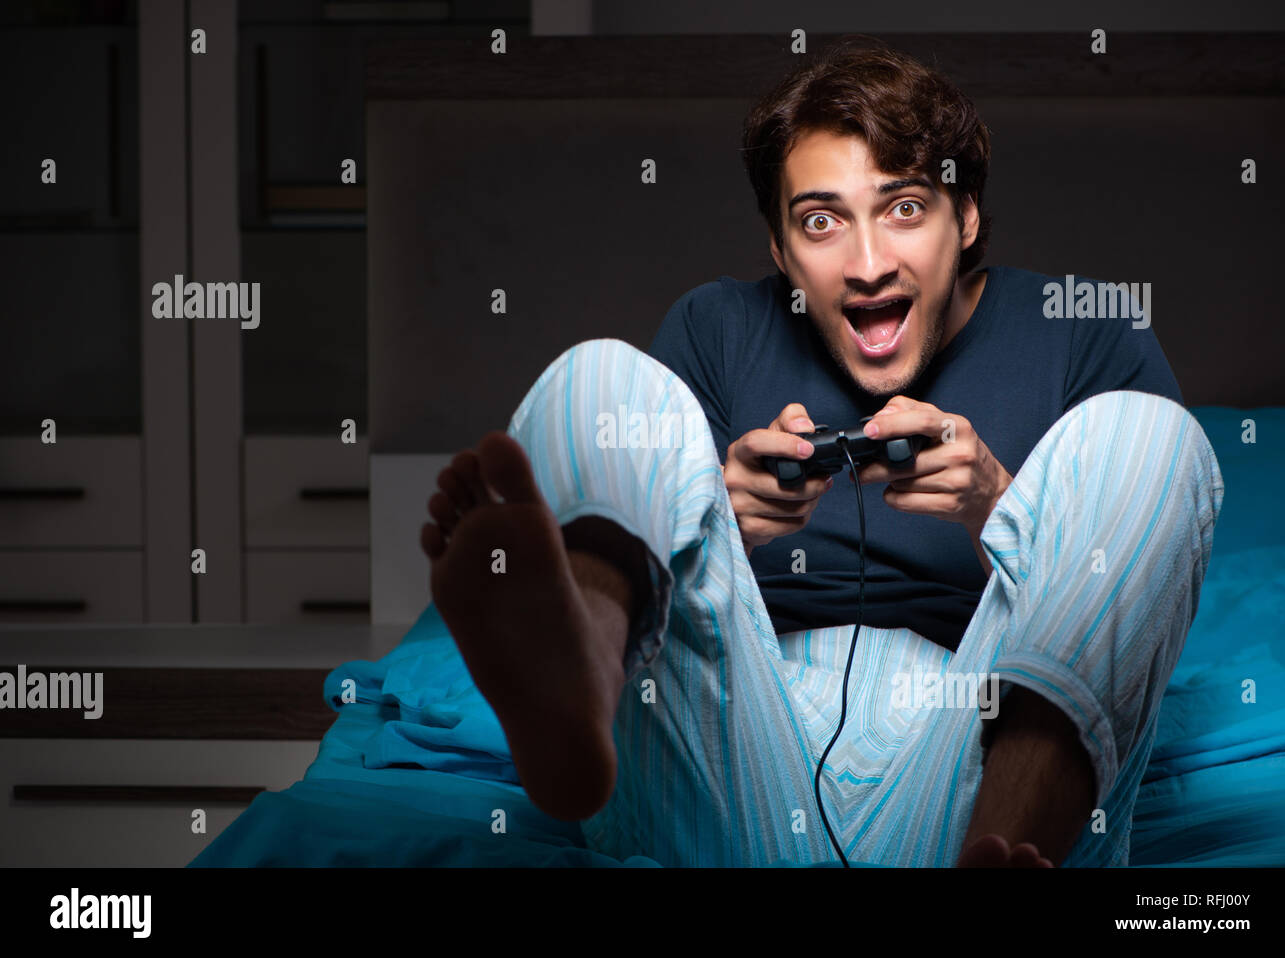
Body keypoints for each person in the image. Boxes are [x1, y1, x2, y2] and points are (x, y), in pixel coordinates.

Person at [419, 38, 1224, 867]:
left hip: (970, 768)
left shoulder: (1086, 332)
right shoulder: (715, 327)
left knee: (1154, 438)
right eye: (821, 221)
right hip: (732, 766)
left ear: (968, 214)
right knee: (603, 377)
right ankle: (578, 663)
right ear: (779, 248)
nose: (868, 264)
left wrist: (998, 504)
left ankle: (1012, 849)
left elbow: (1142, 568)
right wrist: (717, 517)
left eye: (905, 207)